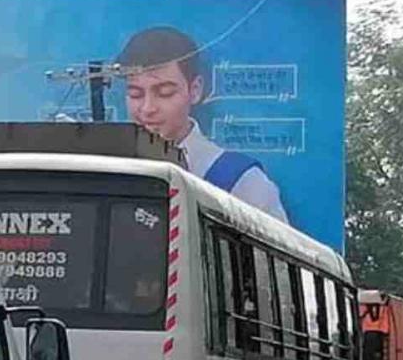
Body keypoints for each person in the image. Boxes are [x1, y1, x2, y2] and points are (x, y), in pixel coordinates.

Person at [117, 27, 289, 223]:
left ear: (195, 90)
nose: (147, 108)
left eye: (164, 92)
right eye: (136, 94)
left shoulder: (242, 182)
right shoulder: (110, 170)